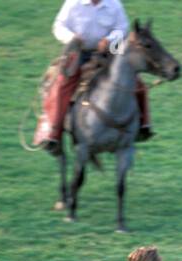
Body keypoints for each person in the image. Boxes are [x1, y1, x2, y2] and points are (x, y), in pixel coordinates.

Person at [36, 0, 151, 155]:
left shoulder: (114, 4)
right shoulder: (73, 3)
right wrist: (72, 37)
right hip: (78, 52)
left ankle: (142, 125)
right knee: (61, 85)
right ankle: (52, 133)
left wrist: (110, 39)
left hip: (108, 52)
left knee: (136, 84)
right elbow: (58, 25)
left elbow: (122, 27)